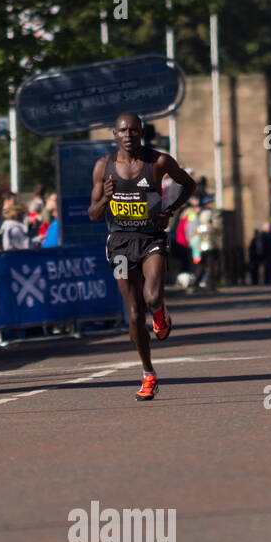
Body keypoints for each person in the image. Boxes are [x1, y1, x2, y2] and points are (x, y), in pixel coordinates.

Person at [88, 109, 195, 400]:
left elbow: (189, 185)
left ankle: (160, 311)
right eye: (122, 131)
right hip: (120, 245)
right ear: (114, 134)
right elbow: (93, 214)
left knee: (151, 297)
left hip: (151, 240)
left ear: (141, 132)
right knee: (134, 314)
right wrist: (107, 198)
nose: (127, 135)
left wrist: (169, 211)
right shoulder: (103, 166)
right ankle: (148, 373)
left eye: (133, 130)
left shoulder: (159, 162)